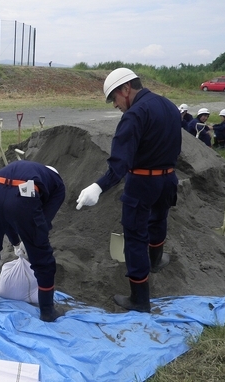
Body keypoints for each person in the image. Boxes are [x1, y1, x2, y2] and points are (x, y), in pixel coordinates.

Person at [76, 68, 181, 313]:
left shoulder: (134, 115)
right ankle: (155, 262)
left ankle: (139, 299)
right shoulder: (169, 106)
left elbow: (120, 163)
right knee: (159, 220)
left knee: (134, 238)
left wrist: (98, 186)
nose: (115, 105)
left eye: (114, 98)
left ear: (126, 89)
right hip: (168, 179)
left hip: (142, 182)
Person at [0, 160, 66, 322]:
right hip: (22, 197)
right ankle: (47, 311)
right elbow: (44, 220)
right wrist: (30, 239)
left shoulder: (27, 168)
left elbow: (6, 212)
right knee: (43, 256)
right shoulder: (58, 186)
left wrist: (17, 242)